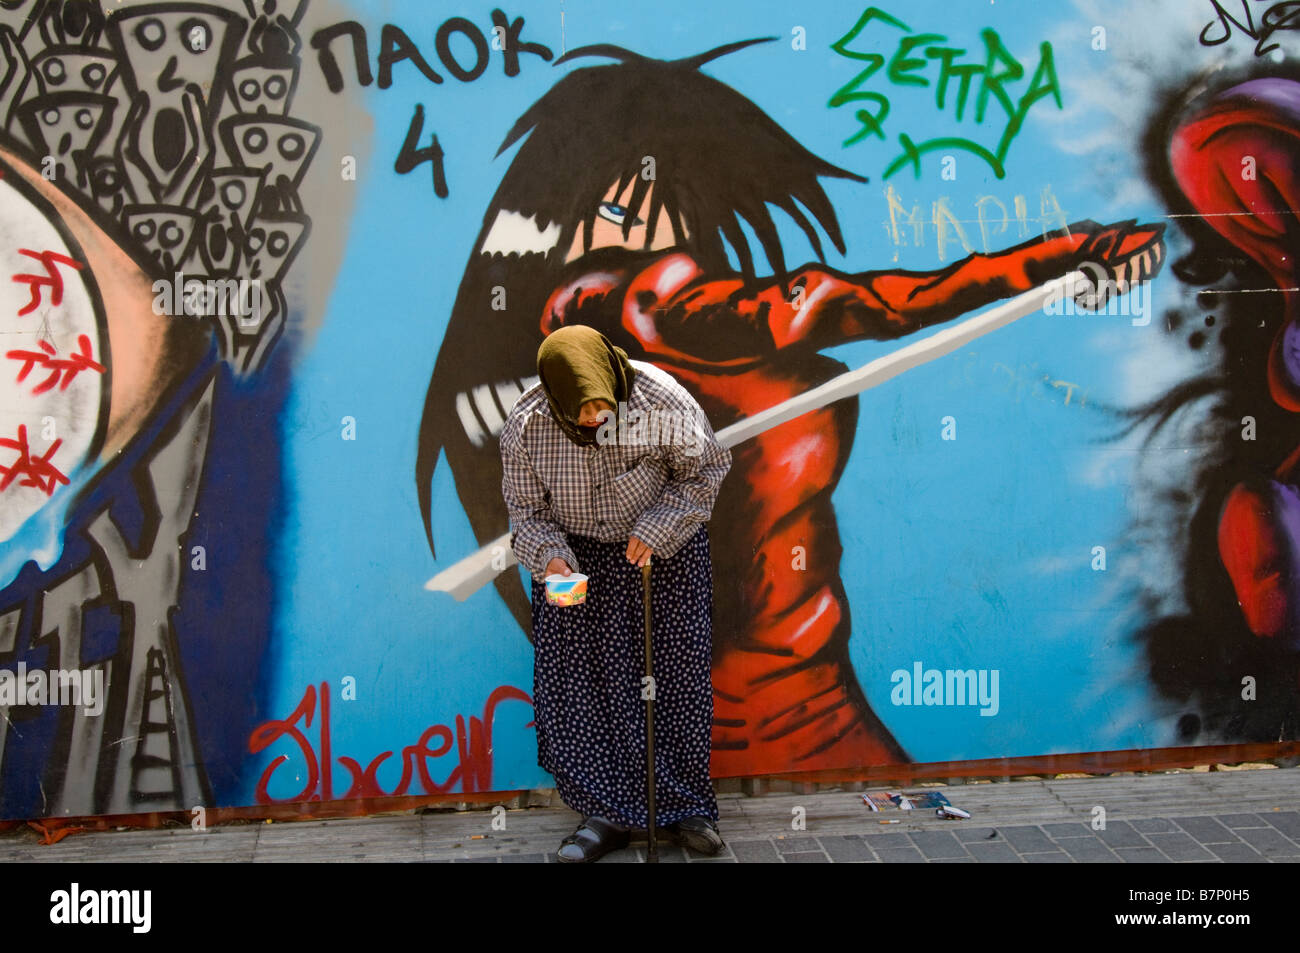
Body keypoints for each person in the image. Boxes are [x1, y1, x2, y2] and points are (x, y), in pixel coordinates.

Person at [499, 324, 731, 862]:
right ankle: (603, 814)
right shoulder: (527, 426)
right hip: (575, 559)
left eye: (602, 405)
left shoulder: (660, 398)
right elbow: (527, 515)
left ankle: (687, 809)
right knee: (584, 686)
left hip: (661, 552)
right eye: (580, 410)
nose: (593, 419)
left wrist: (657, 527)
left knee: (673, 678)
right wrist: (552, 562)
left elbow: (705, 471)